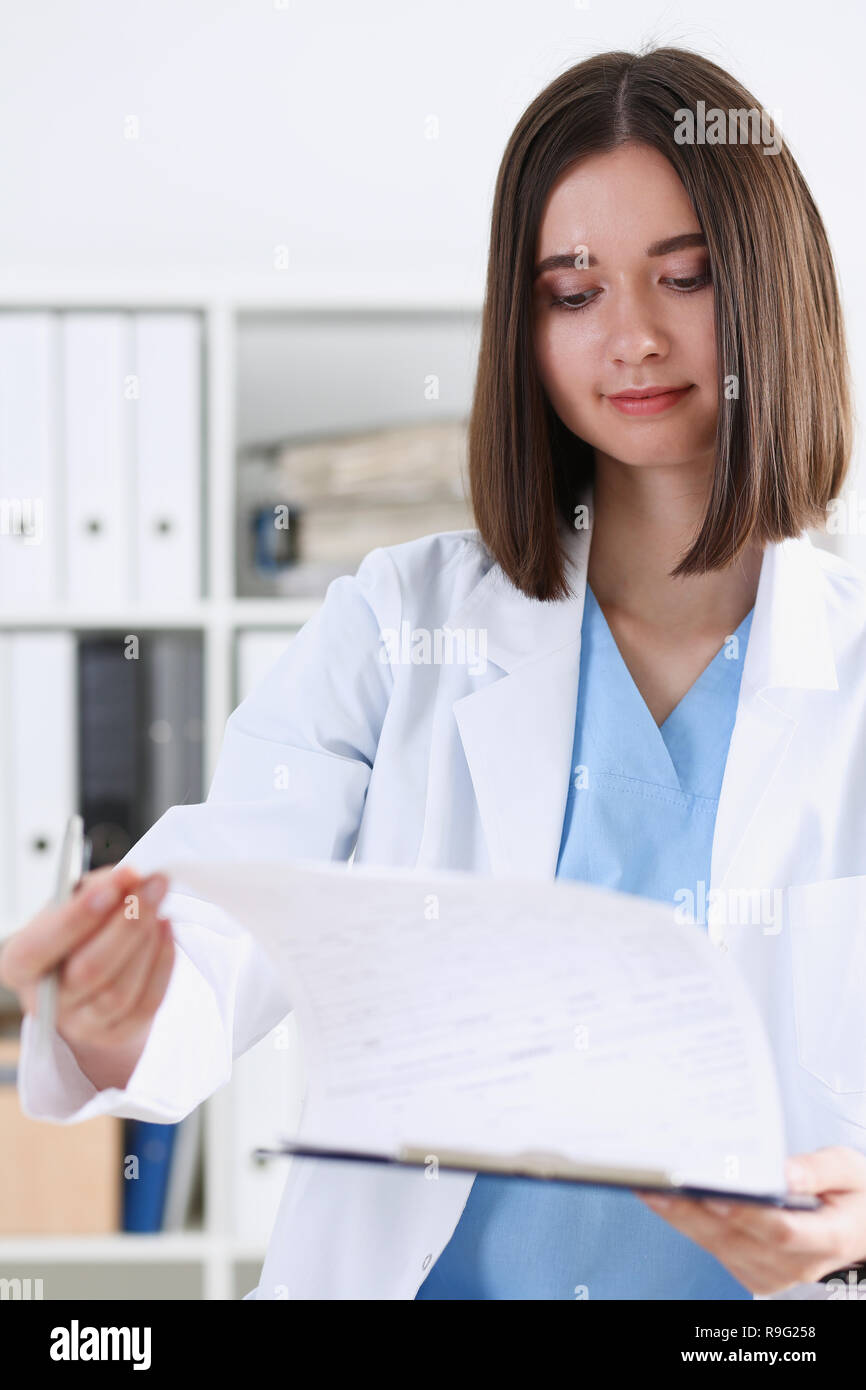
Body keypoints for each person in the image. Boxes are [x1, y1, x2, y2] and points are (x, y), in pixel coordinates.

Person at [3, 45, 866, 1300]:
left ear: (773, 288)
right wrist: (115, 1004)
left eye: (683, 278)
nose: (630, 337)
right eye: (572, 292)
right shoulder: (395, 626)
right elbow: (227, 911)